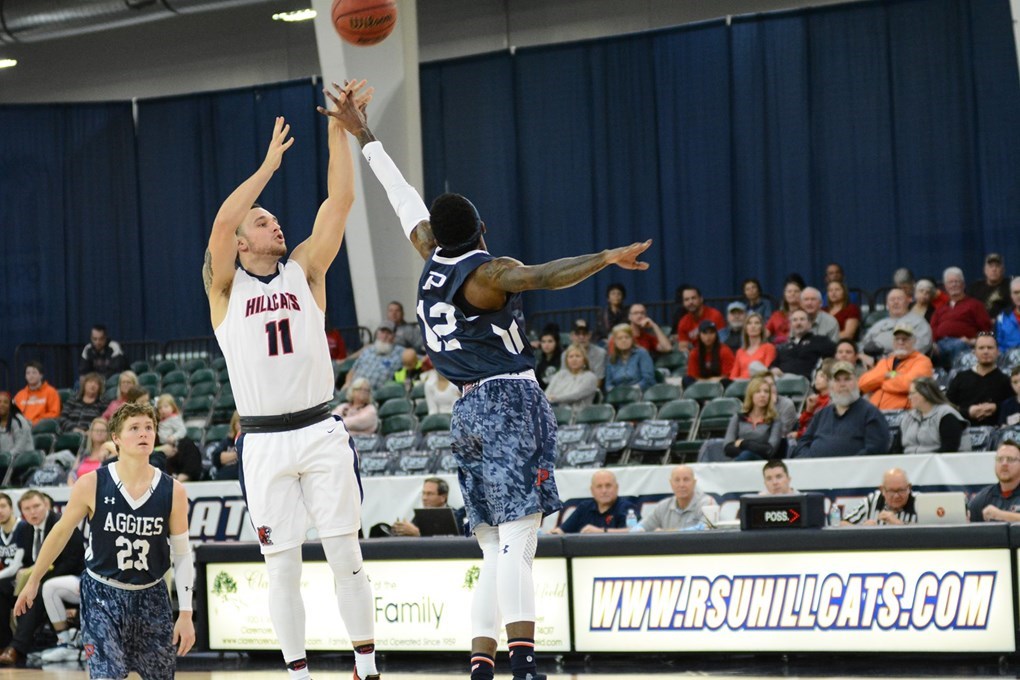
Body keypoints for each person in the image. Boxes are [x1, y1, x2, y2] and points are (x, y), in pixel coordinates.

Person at [332, 82, 651, 680]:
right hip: (510, 401)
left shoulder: (430, 256)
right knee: (521, 539)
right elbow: (545, 277)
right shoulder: (488, 272)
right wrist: (606, 257)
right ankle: (525, 664)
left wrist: (365, 135)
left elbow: (401, 199)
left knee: (492, 548)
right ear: (480, 227)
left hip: (467, 412)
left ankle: (482, 663)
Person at [205, 91, 380, 680]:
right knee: (281, 567)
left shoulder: (305, 268)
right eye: (263, 220)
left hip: (320, 428)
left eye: (274, 217)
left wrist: (338, 131)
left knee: (346, 556)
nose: (272, 221)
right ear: (240, 244)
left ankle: (367, 666)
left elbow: (342, 199)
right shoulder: (224, 290)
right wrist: (267, 168)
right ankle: (298, 673)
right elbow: (224, 220)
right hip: (262, 441)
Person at [13, 403, 195, 676]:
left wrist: (186, 613)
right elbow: (60, 532)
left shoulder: (174, 491)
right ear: (116, 438)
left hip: (151, 594)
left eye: (149, 427)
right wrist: (35, 579)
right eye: (134, 428)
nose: (144, 433)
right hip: (102, 595)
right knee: (106, 674)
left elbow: (182, 554)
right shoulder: (92, 483)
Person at [0, 490, 85, 665]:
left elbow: (72, 560)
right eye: (27, 508)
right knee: (2, 587)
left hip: (69, 578)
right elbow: (25, 561)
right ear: (22, 512)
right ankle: (4, 644)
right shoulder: (25, 529)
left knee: (37, 590)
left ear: (46, 505)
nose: (33, 512)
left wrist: (36, 580)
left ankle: (17, 648)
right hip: (37, 577)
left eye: (36, 506)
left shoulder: (60, 523)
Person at [791, 361, 890, 458]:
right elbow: (802, 443)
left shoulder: (870, 414)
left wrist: (845, 466)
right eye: (837, 380)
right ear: (831, 385)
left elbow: (876, 449)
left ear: (856, 382)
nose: (842, 384)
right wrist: (811, 462)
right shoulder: (821, 415)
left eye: (847, 379)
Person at [857, 323, 933, 411]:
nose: (900, 342)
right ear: (893, 342)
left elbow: (910, 385)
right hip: (875, 413)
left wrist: (881, 383)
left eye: (905, 339)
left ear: (914, 341)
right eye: (897, 339)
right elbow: (862, 384)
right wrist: (886, 376)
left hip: (902, 414)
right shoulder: (885, 361)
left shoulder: (922, 361)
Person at [931, 266, 992, 369]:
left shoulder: (975, 305)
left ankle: (955, 378)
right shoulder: (940, 309)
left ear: (963, 284)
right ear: (945, 286)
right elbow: (932, 329)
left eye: (957, 281)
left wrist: (973, 341)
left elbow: (987, 330)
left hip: (963, 344)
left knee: (959, 346)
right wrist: (933, 344)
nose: (954, 285)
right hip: (941, 345)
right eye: (950, 282)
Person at [946, 333, 1013, 426]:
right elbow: (947, 406)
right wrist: (968, 411)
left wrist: (996, 408)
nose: (986, 351)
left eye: (990, 348)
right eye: (981, 348)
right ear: (974, 352)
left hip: (996, 433)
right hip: (963, 432)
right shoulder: (960, 378)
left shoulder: (1006, 380)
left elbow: (1014, 408)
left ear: (998, 351)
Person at [549, 470, 638, 534]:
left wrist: (602, 532)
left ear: (617, 487)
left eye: (608, 486)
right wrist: (554, 533)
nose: (604, 490)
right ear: (592, 490)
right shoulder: (584, 507)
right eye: (599, 486)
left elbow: (635, 531)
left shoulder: (627, 508)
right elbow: (562, 530)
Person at [630, 465, 716, 531]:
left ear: (694, 482)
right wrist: (639, 530)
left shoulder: (707, 503)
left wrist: (671, 532)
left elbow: (707, 528)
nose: (681, 485)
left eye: (686, 480)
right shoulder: (663, 506)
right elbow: (639, 528)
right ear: (671, 483)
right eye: (677, 480)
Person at [860, 288, 933, 365]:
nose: (895, 302)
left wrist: (896, 356)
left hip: (906, 363)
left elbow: (923, 345)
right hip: (873, 362)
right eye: (892, 300)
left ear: (908, 302)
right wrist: (862, 355)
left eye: (899, 299)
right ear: (887, 304)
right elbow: (863, 344)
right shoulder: (879, 324)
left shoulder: (919, 322)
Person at [897, 377, 968, 453]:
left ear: (925, 394)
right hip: (910, 462)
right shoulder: (908, 417)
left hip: (938, 462)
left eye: (912, 393)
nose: (909, 397)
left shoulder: (946, 415)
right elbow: (897, 448)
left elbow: (949, 448)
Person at [723, 374, 783, 461]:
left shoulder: (775, 420)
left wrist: (743, 443)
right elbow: (727, 448)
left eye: (766, 391)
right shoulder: (738, 417)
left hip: (762, 463)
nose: (763, 395)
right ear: (751, 395)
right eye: (758, 391)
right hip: (740, 460)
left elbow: (769, 450)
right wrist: (754, 449)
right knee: (746, 455)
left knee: (747, 454)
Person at [770, 309, 836, 379]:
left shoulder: (820, 340)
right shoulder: (784, 346)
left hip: (807, 383)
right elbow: (772, 366)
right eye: (795, 320)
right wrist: (773, 369)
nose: (798, 323)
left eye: (802, 319)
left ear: (810, 324)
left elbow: (834, 356)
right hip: (783, 382)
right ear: (791, 325)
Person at [391, 477, 467, 537]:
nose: (424, 498)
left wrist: (418, 534)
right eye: (423, 493)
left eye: (429, 494)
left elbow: (450, 542)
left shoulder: (456, 517)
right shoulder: (421, 515)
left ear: (443, 497)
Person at [843, 468, 918, 525]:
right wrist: (862, 530)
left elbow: (926, 536)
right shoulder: (873, 500)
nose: (896, 496)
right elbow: (842, 524)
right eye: (891, 491)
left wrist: (897, 524)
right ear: (882, 490)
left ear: (909, 488)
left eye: (901, 490)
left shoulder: (920, 502)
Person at [969, 440, 1020, 522]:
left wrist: (1001, 515)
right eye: (1000, 459)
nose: (1004, 463)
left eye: (1010, 459)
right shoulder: (983, 498)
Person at [347, 322, 406, 390]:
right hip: (354, 389)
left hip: (377, 393)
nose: (384, 336)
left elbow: (415, 357)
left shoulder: (399, 351)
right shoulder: (367, 350)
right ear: (378, 334)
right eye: (382, 332)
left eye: (388, 333)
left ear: (394, 337)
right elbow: (352, 370)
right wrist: (347, 383)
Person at [545, 344, 599, 413]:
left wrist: (555, 398)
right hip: (554, 410)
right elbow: (547, 393)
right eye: (571, 356)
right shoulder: (560, 374)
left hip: (577, 414)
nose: (574, 359)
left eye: (578, 356)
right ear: (566, 360)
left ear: (584, 360)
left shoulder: (590, 377)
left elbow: (575, 395)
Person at [605, 324, 656, 393]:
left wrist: (631, 390)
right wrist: (615, 392)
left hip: (640, 395)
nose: (624, 340)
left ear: (632, 339)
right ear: (615, 342)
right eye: (620, 338)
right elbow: (608, 384)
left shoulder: (642, 353)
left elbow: (648, 379)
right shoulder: (611, 359)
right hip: (619, 397)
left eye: (627, 337)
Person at [684, 320, 734, 388]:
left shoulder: (725, 351)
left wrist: (711, 380)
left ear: (716, 334)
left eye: (711, 332)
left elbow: (729, 375)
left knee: (726, 382)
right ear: (699, 335)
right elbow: (692, 377)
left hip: (719, 385)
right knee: (686, 380)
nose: (708, 336)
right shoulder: (694, 353)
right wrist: (708, 381)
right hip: (699, 386)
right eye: (705, 333)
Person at [675, 286, 725, 352]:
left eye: (693, 298)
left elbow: (723, 340)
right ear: (683, 303)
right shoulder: (683, 322)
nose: (690, 302)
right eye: (686, 299)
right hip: (696, 356)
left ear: (701, 299)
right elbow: (683, 346)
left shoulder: (715, 315)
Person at [730, 312, 776, 380]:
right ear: (746, 328)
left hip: (759, 385)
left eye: (757, 323)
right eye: (749, 323)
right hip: (741, 386)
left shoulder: (769, 348)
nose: (753, 326)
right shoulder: (740, 352)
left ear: (761, 327)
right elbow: (733, 377)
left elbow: (767, 373)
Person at [13, 361, 61, 425]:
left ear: (41, 375)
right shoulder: (20, 395)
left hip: (41, 427)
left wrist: (36, 422)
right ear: (25, 376)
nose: (31, 376)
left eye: (34, 373)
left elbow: (54, 414)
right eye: (28, 373)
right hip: (22, 427)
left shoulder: (51, 392)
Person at [561, 319, 606, 384]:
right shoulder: (565, 354)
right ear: (571, 336)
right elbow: (563, 378)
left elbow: (598, 381)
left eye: (584, 333)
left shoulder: (600, 353)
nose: (581, 337)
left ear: (589, 335)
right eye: (577, 334)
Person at [69, 417, 112, 484]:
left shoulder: (110, 454)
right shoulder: (83, 454)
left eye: (103, 430)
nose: (99, 433)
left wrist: (106, 446)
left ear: (107, 434)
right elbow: (72, 474)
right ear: (90, 433)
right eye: (96, 430)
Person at [797, 359, 833, 438]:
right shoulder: (814, 399)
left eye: (821, 376)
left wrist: (799, 434)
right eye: (816, 376)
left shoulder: (832, 401)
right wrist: (809, 410)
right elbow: (801, 425)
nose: (817, 379)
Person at [967, 252, 1010, 317]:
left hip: (1001, 324)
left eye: (997, 266)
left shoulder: (1010, 286)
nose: (994, 269)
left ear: (1003, 270)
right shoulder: (974, 287)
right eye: (991, 266)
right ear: (985, 270)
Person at [765, 279, 804, 345]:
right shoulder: (776, 315)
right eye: (789, 291)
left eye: (796, 291)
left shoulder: (806, 314)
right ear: (785, 295)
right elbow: (765, 334)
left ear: (802, 294)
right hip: (780, 349)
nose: (792, 294)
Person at [207, 411, 241, 481]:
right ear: (234, 424)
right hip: (224, 479)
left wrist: (227, 457)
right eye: (239, 422)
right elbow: (216, 458)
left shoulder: (252, 442)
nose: (242, 425)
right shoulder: (228, 441)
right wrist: (238, 453)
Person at [0, 392, 32, 457]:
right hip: (6, 461)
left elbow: (20, 448)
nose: (2, 404)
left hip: (23, 460)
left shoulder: (19, 421)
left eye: (5, 402)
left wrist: (5, 458)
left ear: (11, 405)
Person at [995, 277, 1020, 353]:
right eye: (1016, 293)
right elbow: (998, 344)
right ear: (1011, 296)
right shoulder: (1002, 317)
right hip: (1008, 361)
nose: (1019, 296)